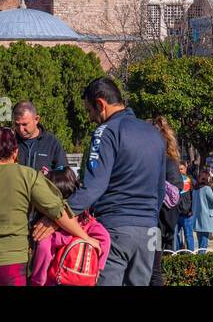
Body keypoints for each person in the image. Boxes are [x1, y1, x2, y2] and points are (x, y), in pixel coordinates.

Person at [43, 76, 165, 287]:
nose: (90, 118)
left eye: (90, 111)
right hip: (149, 231)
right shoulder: (153, 133)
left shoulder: (106, 132)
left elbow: (93, 187)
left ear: (101, 104)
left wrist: (57, 215)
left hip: (116, 228)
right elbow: (161, 190)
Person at [0, 126, 90, 286]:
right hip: (11, 265)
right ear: (15, 152)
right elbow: (58, 210)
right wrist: (86, 237)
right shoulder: (28, 176)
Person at [29, 168, 110, 286]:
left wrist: (37, 281)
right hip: (85, 279)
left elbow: (44, 249)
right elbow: (105, 239)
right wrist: (97, 269)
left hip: (54, 280)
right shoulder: (87, 222)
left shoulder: (48, 229)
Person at [150, 117, 184, 286]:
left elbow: (174, 196)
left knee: (152, 269)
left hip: (155, 226)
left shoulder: (167, 163)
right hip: (153, 225)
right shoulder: (167, 162)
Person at [13, 101, 69, 175]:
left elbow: (63, 174)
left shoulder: (51, 142)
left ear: (36, 119)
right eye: (17, 124)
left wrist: (48, 176)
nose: (21, 129)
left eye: (24, 124)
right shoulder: (10, 142)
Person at [191, 170, 213, 253]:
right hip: (205, 219)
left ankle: (199, 260)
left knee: (200, 243)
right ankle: (201, 262)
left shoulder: (195, 189)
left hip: (197, 219)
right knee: (203, 245)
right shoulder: (206, 189)